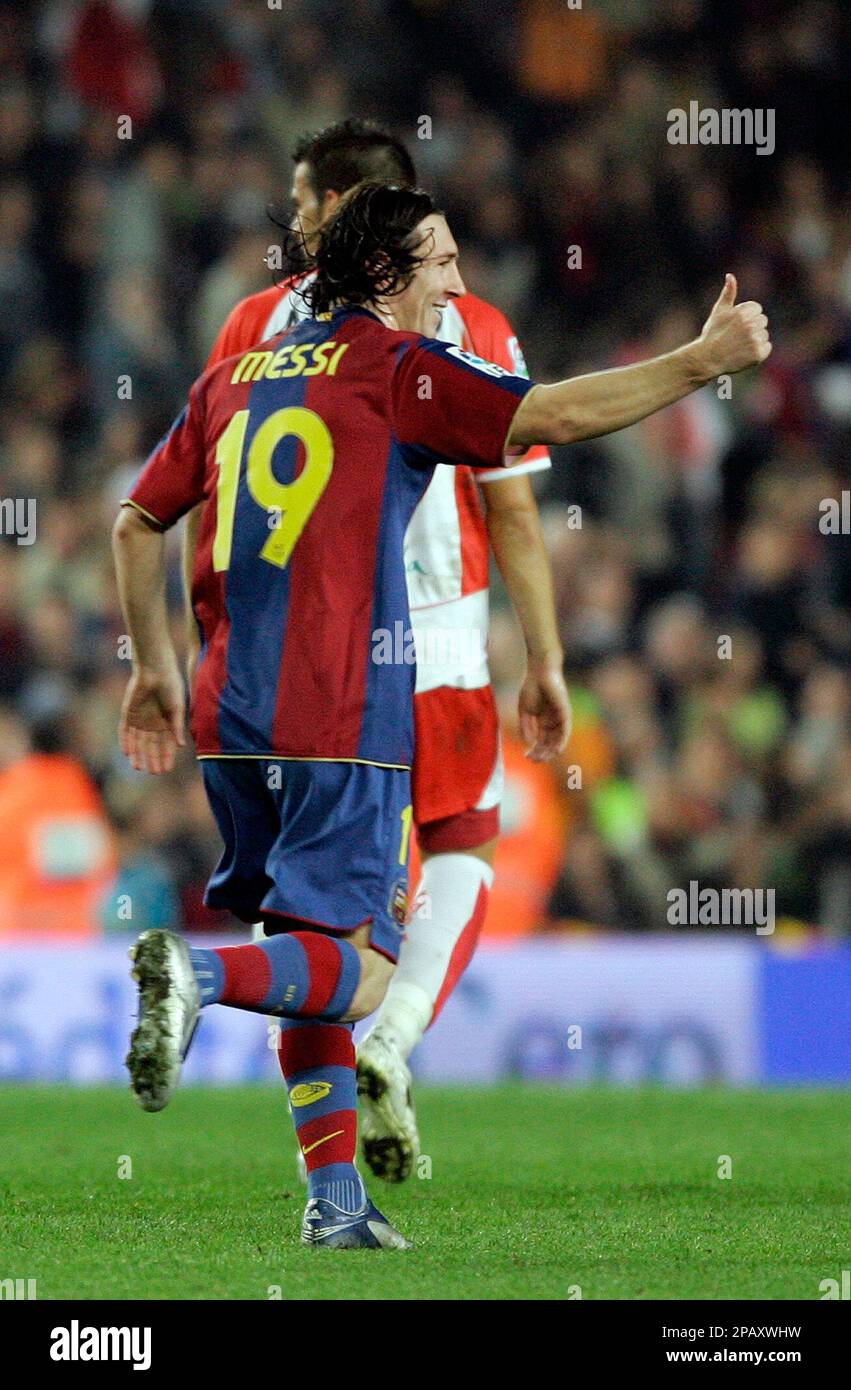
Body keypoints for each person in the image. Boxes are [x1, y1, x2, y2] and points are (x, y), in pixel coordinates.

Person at [113, 181, 771, 1249]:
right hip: (341, 713)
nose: (456, 285)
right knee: (363, 968)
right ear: (383, 271)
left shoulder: (232, 371)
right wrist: (700, 363)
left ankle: (334, 1207)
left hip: (229, 713)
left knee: (306, 952)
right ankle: (195, 973)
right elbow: (545, 416)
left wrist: (152, 667)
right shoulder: (396, 368)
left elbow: (137, 523)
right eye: (441, 264)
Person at [188, 119, 570, 1183]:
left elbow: (203, 496)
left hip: (287, 660)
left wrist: (206, 644)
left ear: (348, 213)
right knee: (458, 851)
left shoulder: (253, 327)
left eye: (305, 202)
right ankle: (392, 1039)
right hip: (433, 648)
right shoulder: (472, 325)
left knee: (304, 913)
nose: (293, 219)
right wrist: (542, 655)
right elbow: (517, 510)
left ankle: (332, 1178)